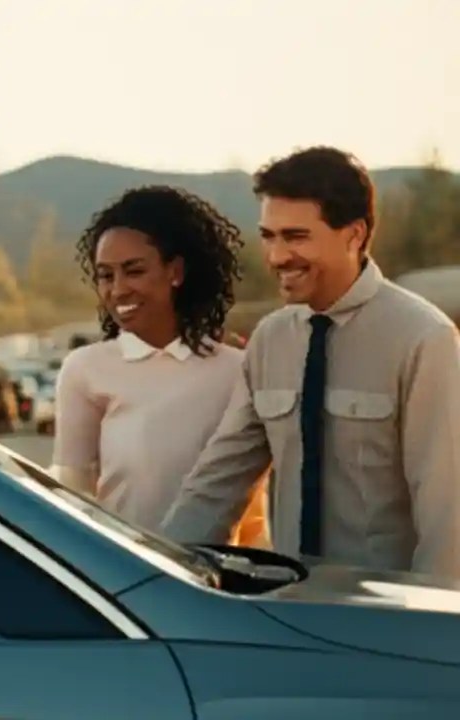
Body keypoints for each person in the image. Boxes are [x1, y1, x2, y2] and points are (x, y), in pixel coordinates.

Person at [161, 146, 460, 578]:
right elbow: (217, 481)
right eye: (269, 236)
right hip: (293, 612)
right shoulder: (271, 339)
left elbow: (447, 512)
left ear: (354, 235)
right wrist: (159, 576)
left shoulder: (423, 339)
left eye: (296, 237)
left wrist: (431, 630)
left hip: (388, 618)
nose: (278, 256)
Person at [52, 185, 268, 545]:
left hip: (222, 581)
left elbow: (254, 506)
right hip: (118, 581)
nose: (118, 290)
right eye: (106, 275)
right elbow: (71, 498)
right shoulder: (84, 370)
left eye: (133, 271)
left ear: (176, 271)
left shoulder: (238, 370)